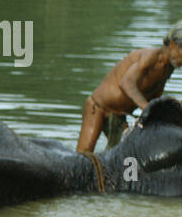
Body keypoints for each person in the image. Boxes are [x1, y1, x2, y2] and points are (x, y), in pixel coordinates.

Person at [76, 24, 182, 153]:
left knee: (122, 155)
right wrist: (147, 109)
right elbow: (127, 83)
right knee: (83, 155)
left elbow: (155, 95)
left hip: (118, 116)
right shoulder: (151, 57)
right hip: (98, 108)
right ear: (171, 44)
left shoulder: (167, 69)